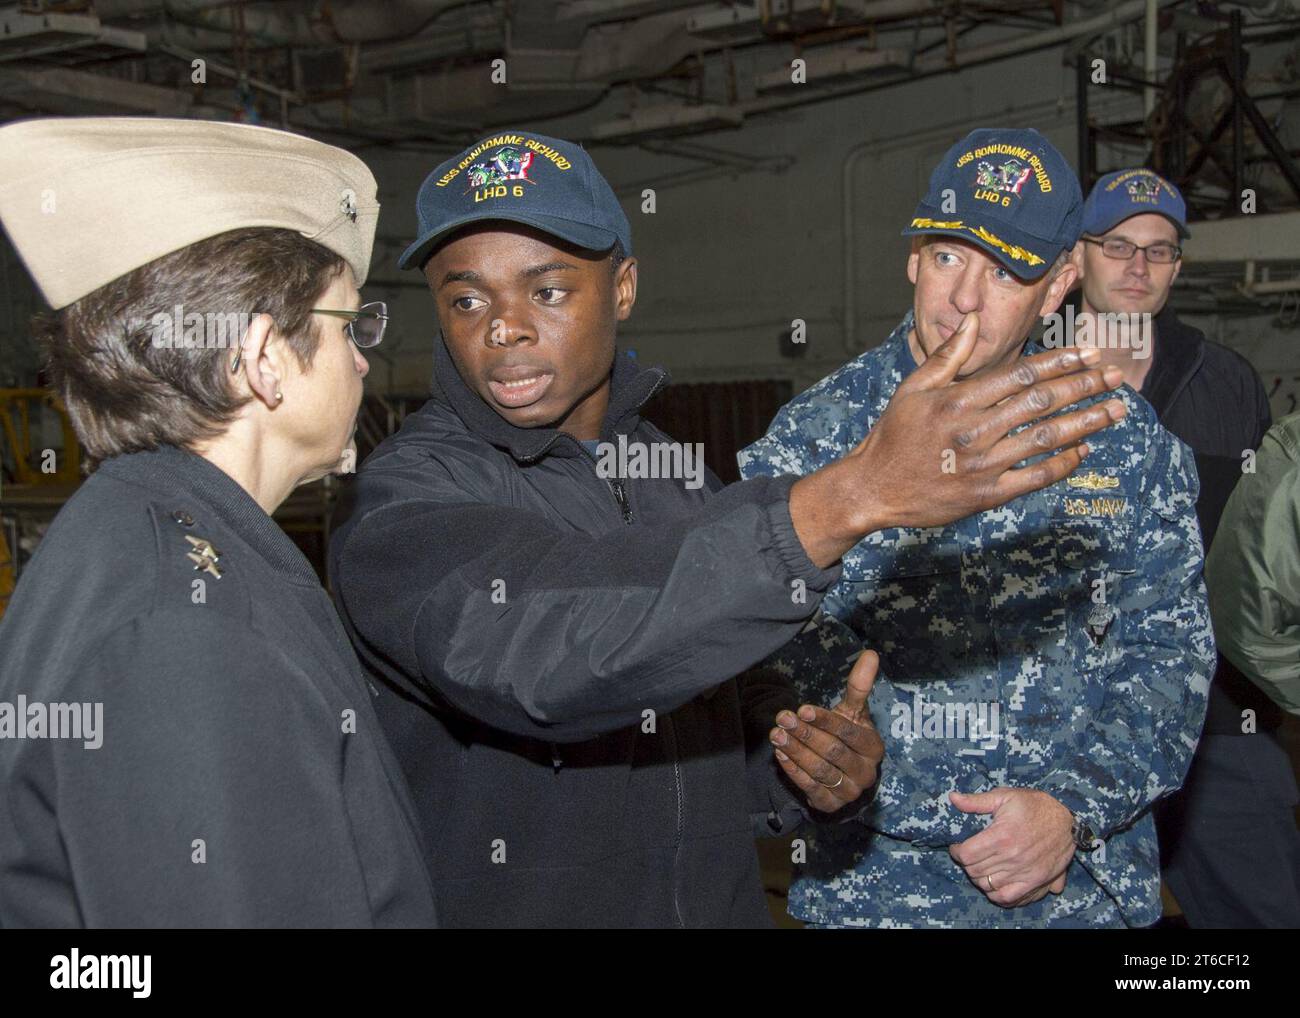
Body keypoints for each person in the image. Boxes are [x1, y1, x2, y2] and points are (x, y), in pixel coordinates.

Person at [328, 130, 1125, 928]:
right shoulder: (399, 499)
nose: (503, 329)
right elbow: (546, 657)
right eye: (467, 300)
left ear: (624, 288)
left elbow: (713, 699)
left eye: (547, 291)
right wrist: (851, 497)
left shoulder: (673, 473)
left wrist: (800, 763)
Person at [740, 129, 1213, 928]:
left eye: (1004, 271)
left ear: (1059, 285)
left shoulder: (1124, 442)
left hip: (1076, 891)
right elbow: (744, 654)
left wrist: (1071, 808)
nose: (964, 297)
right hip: (876, 892)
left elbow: (1172, 652)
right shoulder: (811, 442)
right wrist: (807, 756)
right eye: (951, 256)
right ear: (915, 257)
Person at [0, 117, 437, 928]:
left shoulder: (141, 537)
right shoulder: (189, 623)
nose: (363, 360)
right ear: (264, 356)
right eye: (352, 325)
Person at [1072, 168, 1297, 928]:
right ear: (1077, 256)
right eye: (1118, 245)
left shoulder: (1225, 382)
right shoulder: (1020, 376)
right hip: (1061, 728)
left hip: (1212, 728)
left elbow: (1260, 554)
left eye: (1159, 251)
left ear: (1177, 267)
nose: (1138, 266)